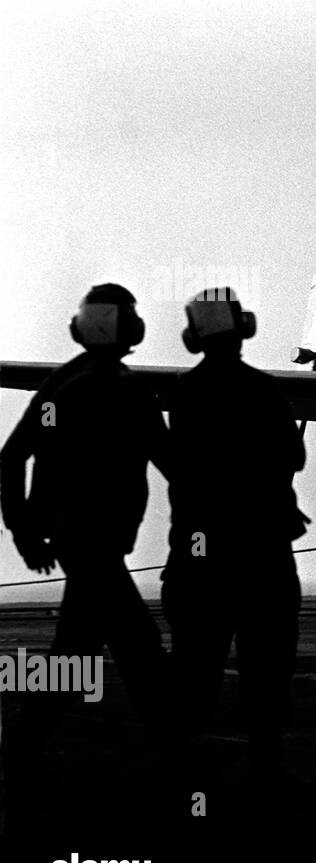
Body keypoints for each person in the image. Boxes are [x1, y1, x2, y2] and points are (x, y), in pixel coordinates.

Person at [0, 284, 171, 765]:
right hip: (98, 546)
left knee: (78, 648)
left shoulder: (60, 385)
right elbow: (175, 464)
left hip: (73, 540)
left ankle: (24, 747)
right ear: (129, 327)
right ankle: (174, 755)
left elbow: (11, 460)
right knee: (138, 649)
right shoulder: (128, 390)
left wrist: (25, 531)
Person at [162, 287, 307, 780]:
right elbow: (294, 458)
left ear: (193, 337)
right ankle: (266, 775)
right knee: (266, 677)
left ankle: (183, 776)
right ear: (243, 330)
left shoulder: (183, 395)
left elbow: (178, 465)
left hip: (199, 558)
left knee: (193, 673)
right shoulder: (265, 391)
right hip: (263, 556)